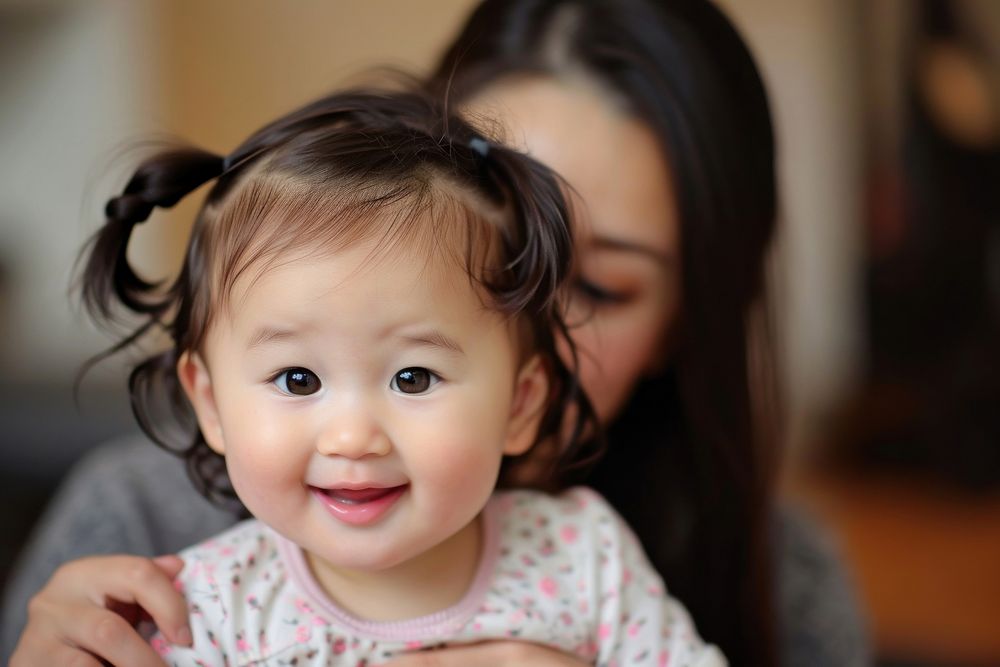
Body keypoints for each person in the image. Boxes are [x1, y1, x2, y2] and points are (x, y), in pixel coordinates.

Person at [4, 1, 868, 666]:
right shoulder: (160, 560)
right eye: (299, 378)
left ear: (687, 322)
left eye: (601, 286)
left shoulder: (668, 567)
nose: (531, 322)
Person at [57, 87, 725, 666]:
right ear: (210, 404)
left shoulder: (581, 558)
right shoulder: (203, 612)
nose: (353, 437)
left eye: (413, 378)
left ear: (520, 404)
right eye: (297, 379)